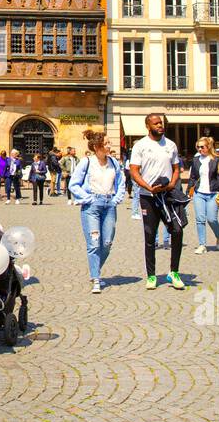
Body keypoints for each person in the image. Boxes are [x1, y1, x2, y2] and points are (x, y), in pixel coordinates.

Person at [128, 113, 185, 289]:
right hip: (148, 196)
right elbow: (134, 171)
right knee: (150, 236)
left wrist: (173, 184)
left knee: (177, 231)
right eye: (156, 123)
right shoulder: (141, 146)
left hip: (168, 195)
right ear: (148, 126)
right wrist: (148, 187)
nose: (160, 125)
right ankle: (151, 275)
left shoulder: (171, 145)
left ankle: (173, 272)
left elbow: (176, 168)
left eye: (161, 123)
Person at [69, 129, 125, 293]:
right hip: (91, 207)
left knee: (107, 243)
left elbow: (121, 182)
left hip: (109, 205)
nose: (110, 146)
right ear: (97, 146)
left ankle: (95, 270)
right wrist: (88, 198)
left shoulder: (114, 163)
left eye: (109, 143)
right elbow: (74, 184)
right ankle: (96, 278)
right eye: (106, 143)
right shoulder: (86, 162)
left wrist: (116, 199)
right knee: (94, 243)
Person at [187, 136, 219, 255]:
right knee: (200, 219)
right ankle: (202, 244)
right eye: (198, 147)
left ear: (208, 147)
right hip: (199, 193)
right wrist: (189, 191)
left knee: (212, 219)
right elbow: (193, 177)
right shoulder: (196, 160)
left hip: (213, 193)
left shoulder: (217, 160)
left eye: (202, 147)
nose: (199, 149)